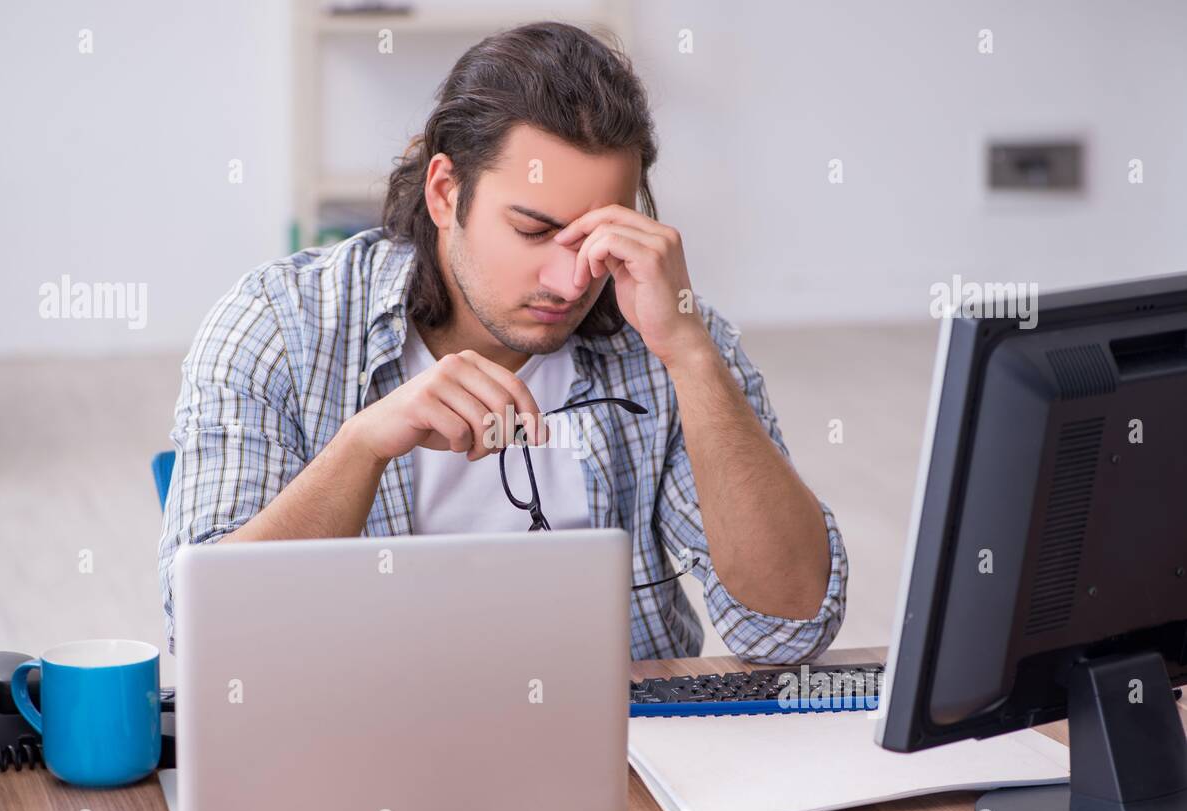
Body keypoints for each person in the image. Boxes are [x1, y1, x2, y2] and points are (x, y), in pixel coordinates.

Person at [158, 21, 847, 661]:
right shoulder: (277, 325)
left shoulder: (674, 337)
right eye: (533, 229)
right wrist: (361, 447)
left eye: (597, 236)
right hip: (360, 757)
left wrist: (693, 357)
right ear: (444, 191)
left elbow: (789, 628)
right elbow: (211, 642)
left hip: (620, 756)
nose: (571, 279)